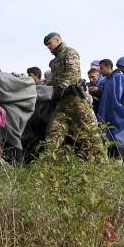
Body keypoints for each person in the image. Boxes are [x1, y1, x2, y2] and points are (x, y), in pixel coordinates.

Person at [41, 33, 105, 161]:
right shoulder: (54, 62)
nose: (48, 47)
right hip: (62, 103)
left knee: (90, 132)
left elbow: (72, 72)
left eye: (50, 43)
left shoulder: (70, 53)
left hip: (75, 100)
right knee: (54, 134)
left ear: (57, 40)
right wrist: (55, 97)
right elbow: (55, 82)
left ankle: (102, 162)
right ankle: (45, 166)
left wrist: (61, 88)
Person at [95, 59, 124, 159]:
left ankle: (119, 160)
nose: (100, 71)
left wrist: (122, 106)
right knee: (110, 135)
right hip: (110, 112)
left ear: (109, 67)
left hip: (118, 113)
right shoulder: (109, 80)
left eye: (101, 68)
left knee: (119, 136)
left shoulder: (118, 78)